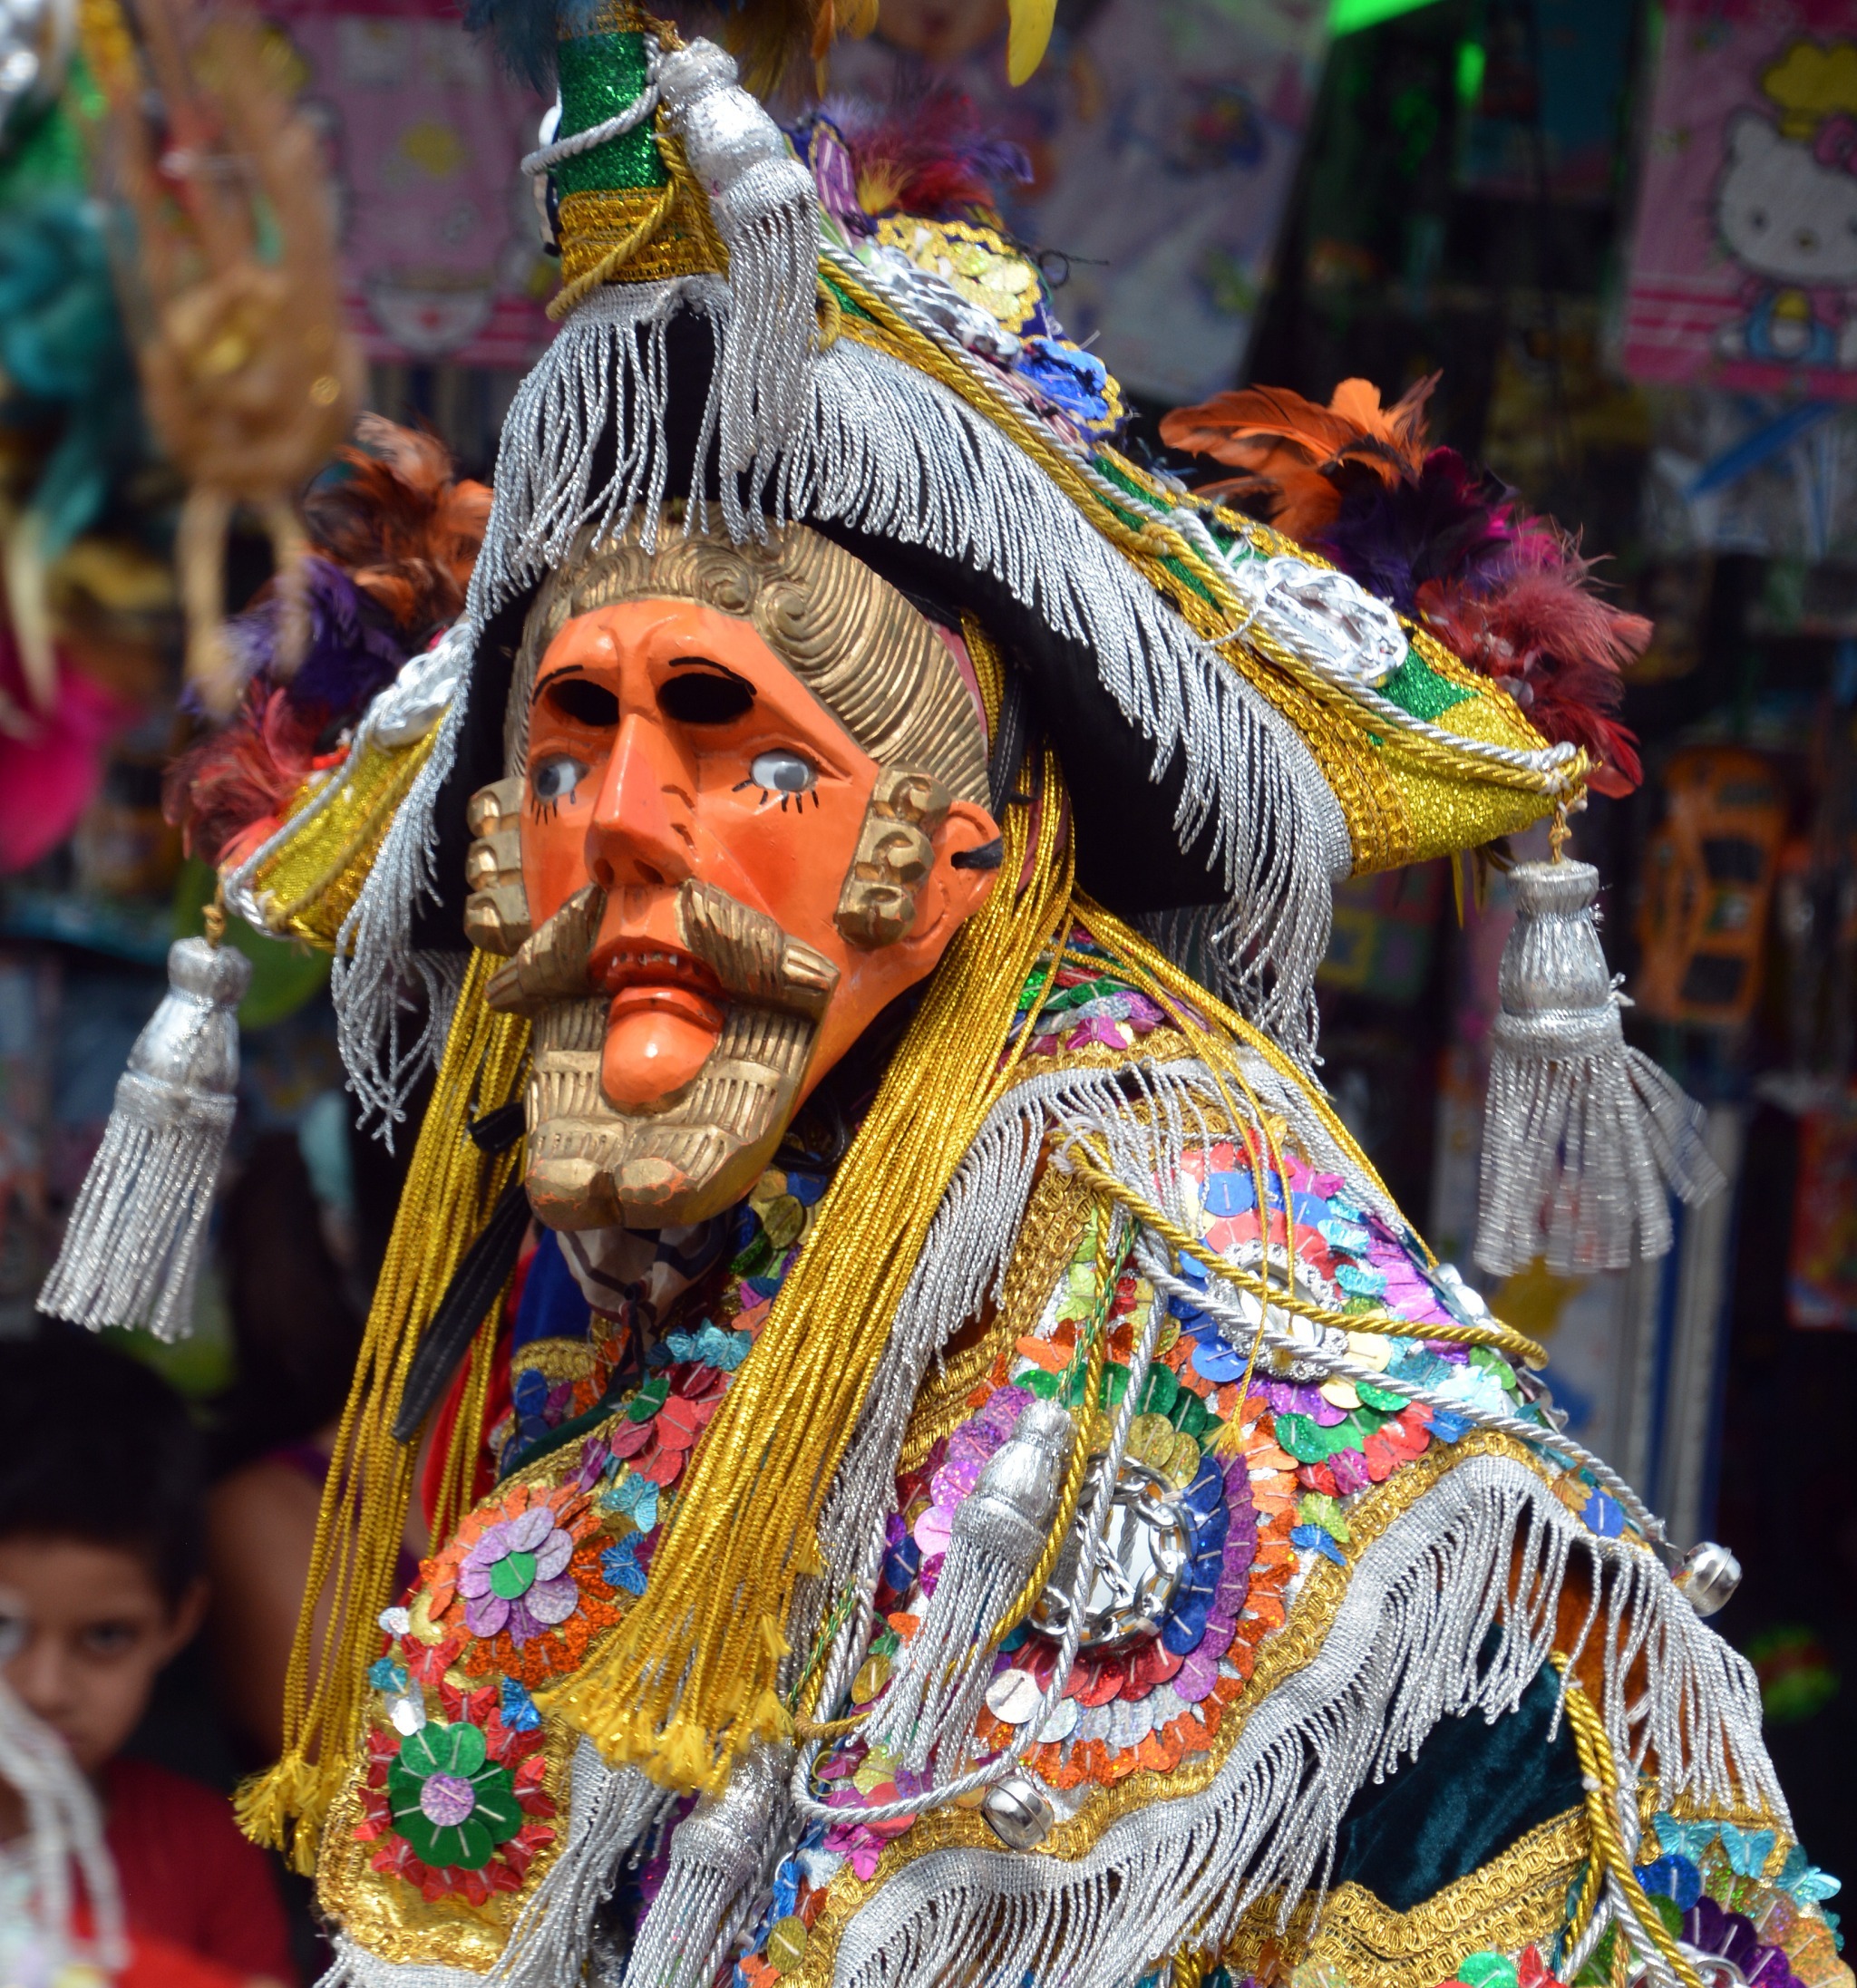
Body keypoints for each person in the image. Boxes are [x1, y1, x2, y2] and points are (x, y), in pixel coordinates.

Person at [44, 6, 1851, 1986]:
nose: (618, 828)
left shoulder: (1364, 1541)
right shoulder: (697, 1350)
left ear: (956, 852)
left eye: (740, 743)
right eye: (561, 746)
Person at [0, 1330, 297, 1986]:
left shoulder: (205, 1849)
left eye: (105, 1637)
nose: (46, 1689)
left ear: (177, 1621)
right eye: (3, 1632)